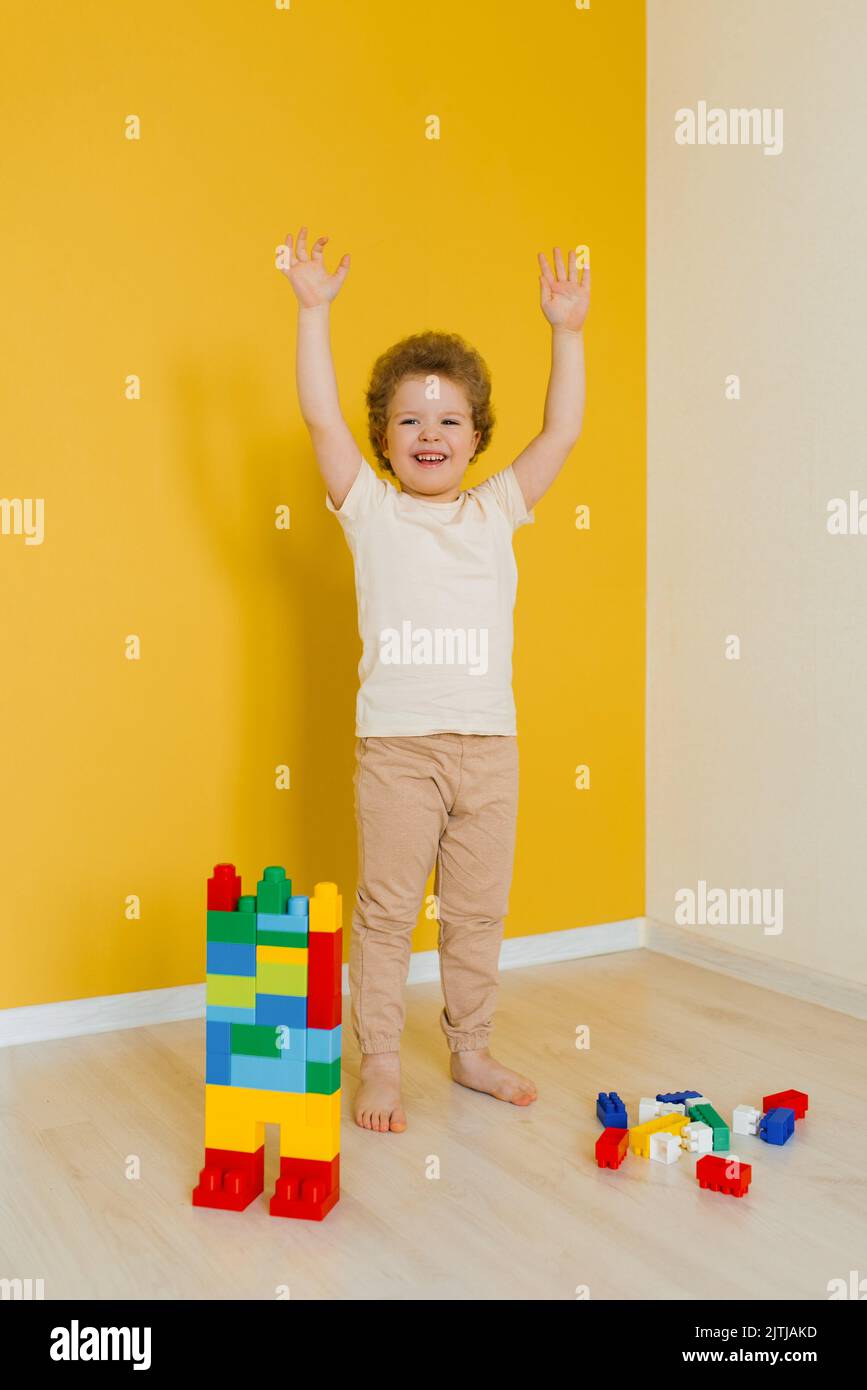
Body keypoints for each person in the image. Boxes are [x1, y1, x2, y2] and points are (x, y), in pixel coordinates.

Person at [280, 226, 589, 1132]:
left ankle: (472, 1049)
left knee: (476, 912)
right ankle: (378, 1059)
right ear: (384, 437)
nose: (429, 432)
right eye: (410, 419)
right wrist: (314, 312)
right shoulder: (369, 511)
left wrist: (564, 332)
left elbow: (563, 429)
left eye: (449, 419)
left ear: (477, 437)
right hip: (400, 748)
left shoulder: (497, 509)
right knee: (385, 913)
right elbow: (318, 419)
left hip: (490, 746)